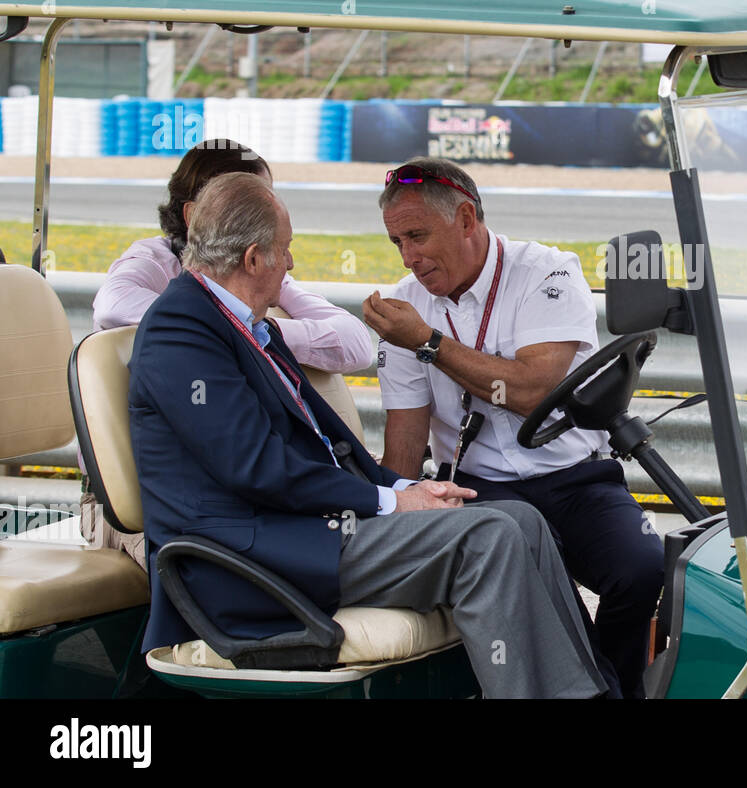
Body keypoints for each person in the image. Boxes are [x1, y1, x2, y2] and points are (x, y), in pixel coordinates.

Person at [129, 172, 607, 699]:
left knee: (522, 520)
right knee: (488, 538)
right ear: (252, 259)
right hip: (251, 554)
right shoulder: (181, 328)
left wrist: (405, 490)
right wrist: (391, 500)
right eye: (285, 251)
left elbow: (327, 452)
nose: (290, 264)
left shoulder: (246, 325)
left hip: (305, 528)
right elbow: (256, 469)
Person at [362, 158, 664, 699]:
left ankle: (617, 688)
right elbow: (405, 444)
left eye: (417, 235)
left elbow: (532, 393)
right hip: (482, 493)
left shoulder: (547, 272)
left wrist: (430, 343)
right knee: (552, 607)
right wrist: (385, 519)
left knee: (642, 571)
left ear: (466, 218)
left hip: (576, 478)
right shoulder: (403, 307)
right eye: (397, 242)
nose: (409, 257)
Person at [88, 139, 372, 567]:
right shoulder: (154, 261)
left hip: (240, 490)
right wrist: (233, 330)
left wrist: (267, 332)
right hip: (156, 503)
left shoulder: (255, 271)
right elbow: (112, 305)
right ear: (194, 214)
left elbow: (355, 343)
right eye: (247, 199)